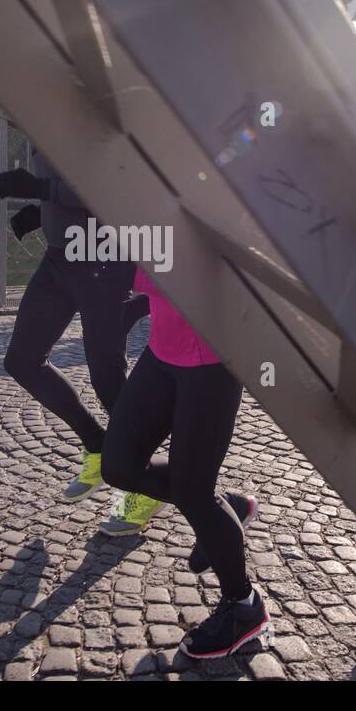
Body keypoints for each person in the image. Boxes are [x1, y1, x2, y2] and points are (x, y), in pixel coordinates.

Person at [101, 267, 268, 658]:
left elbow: (191, 259)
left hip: (210, 358)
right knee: (119, 465)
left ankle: (243, 607)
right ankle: (226, 511)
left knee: (192, 492)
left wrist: (117, 268)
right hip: (162, 350)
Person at [0, 150, 161, 536]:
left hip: (102, 259)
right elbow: (70, 179)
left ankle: (145, 482)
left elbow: (115, 188)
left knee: (107, 380)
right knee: (22, 361)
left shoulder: (81, 106)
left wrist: (41, 189)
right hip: (59, 258)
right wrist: (42, 211)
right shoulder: (38, 115)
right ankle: (97, 442)